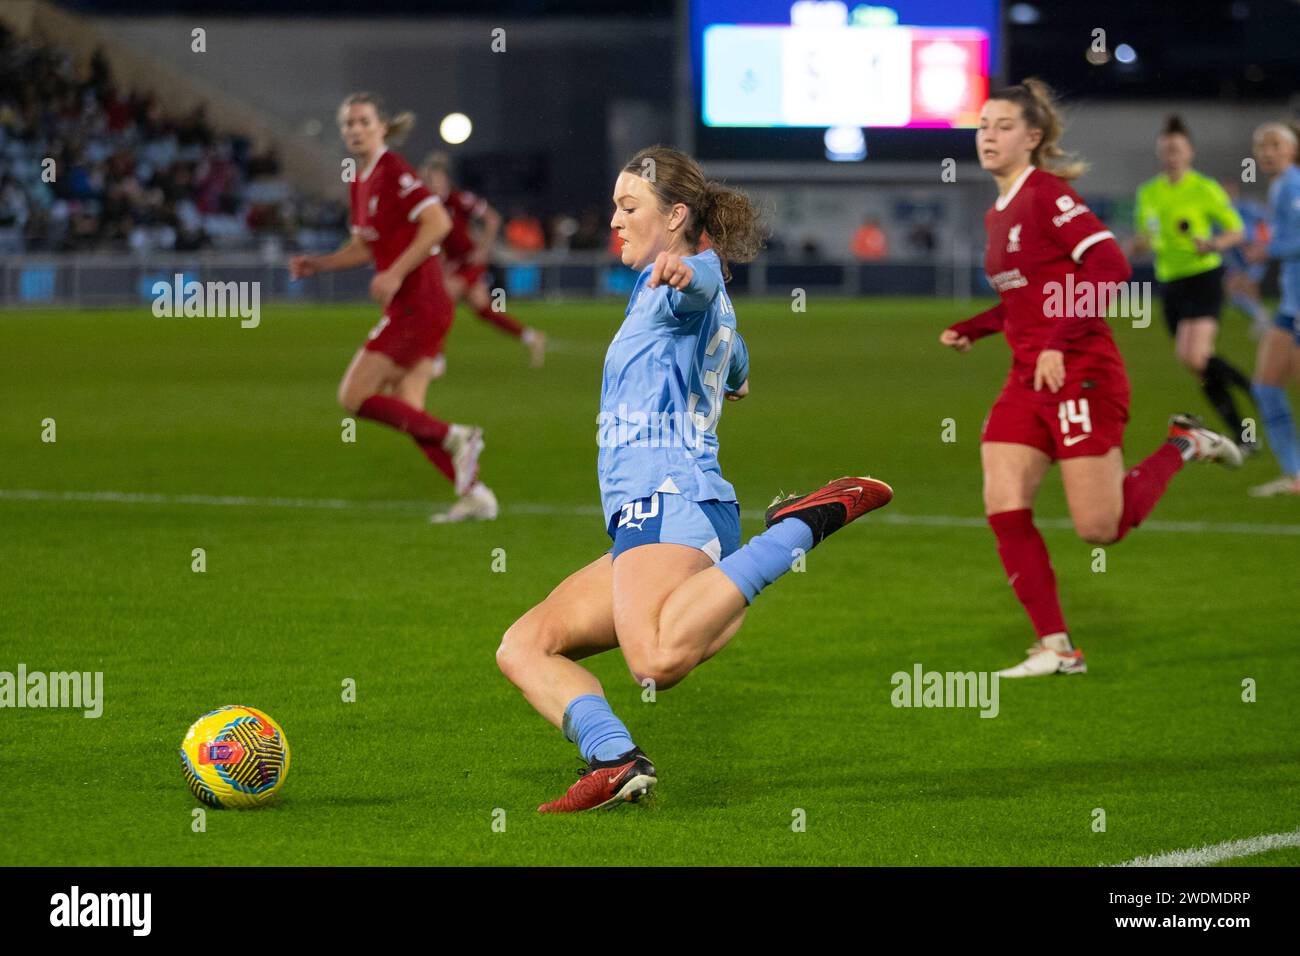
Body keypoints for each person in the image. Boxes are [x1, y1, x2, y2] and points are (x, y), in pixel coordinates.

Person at [496, 145, 894, 812]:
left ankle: (801, 525)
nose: (615, 220)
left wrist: (689, 273)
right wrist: (732, 370)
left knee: (654, 661)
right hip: (658, 513)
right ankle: (614, 759)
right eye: (615, 206)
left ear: (676, 216)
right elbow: (734, 358)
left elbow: (702, 286)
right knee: (524, 646)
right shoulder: (672, 293)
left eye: (630, 207)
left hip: (670, 500)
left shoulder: (680, 282)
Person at [941, 80, 1243, 678]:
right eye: (984, 125)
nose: (989, 136)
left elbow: (1111, 266)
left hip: (1082, 372)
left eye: (1004, 126)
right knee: (1003, 501)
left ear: (1033, 137)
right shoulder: (997, 212)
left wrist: (1057, 341)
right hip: (1028, 379)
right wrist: (976, 327)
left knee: (1100, 529)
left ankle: (1185, 443)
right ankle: (1057, 648)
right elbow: (1026, 301)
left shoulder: (1047, 196)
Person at [288, 93, 497, 522]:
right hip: (415, 305)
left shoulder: (393, 170)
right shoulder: (359, 180)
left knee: (353, 395)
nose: (355, 130)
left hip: (419, 303)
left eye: (364, 121)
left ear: (382, 126)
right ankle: (476, 495)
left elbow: (438, 223)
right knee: (409, 410)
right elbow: (363, 247)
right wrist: (318, 264)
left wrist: (397, 272)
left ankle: (458, 436)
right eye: (349, 123)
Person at [1132, 115, 1254, 450]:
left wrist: (1213, 244)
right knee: (1196, 363)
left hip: (1203, 276)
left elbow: (1237, 230)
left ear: (1190, 152)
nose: (1171, 155)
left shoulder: (1204, 188)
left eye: (1177, 149)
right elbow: (1145, 236)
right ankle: (1243, 435)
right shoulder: (1148, 192)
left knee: (1196, 356)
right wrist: (1138, 245)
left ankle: (1254, 390)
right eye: (1166, 149)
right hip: (1170, 282)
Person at [419, 153, 547, 369]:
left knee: (441, 301)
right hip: (455, 264)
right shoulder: (431, 207)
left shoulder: (459, 199)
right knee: (483, 309)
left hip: (470, 263)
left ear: (446, 180)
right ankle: (531, 337)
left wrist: (483, 248)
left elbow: (492, 218)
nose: (434, 185)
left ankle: (437, 359)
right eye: (430, 181)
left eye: (437, 180)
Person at [1245, 122, 1300, 497]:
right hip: (1290, 306)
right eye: (1261, 145)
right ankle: (1295, 474)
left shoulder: (1293, 185)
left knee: (1270, 386)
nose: (1267, 152)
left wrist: (1267, 250)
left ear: (1292, 149)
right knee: (1266, 386)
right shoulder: (1281, 186)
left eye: (1275, 144)